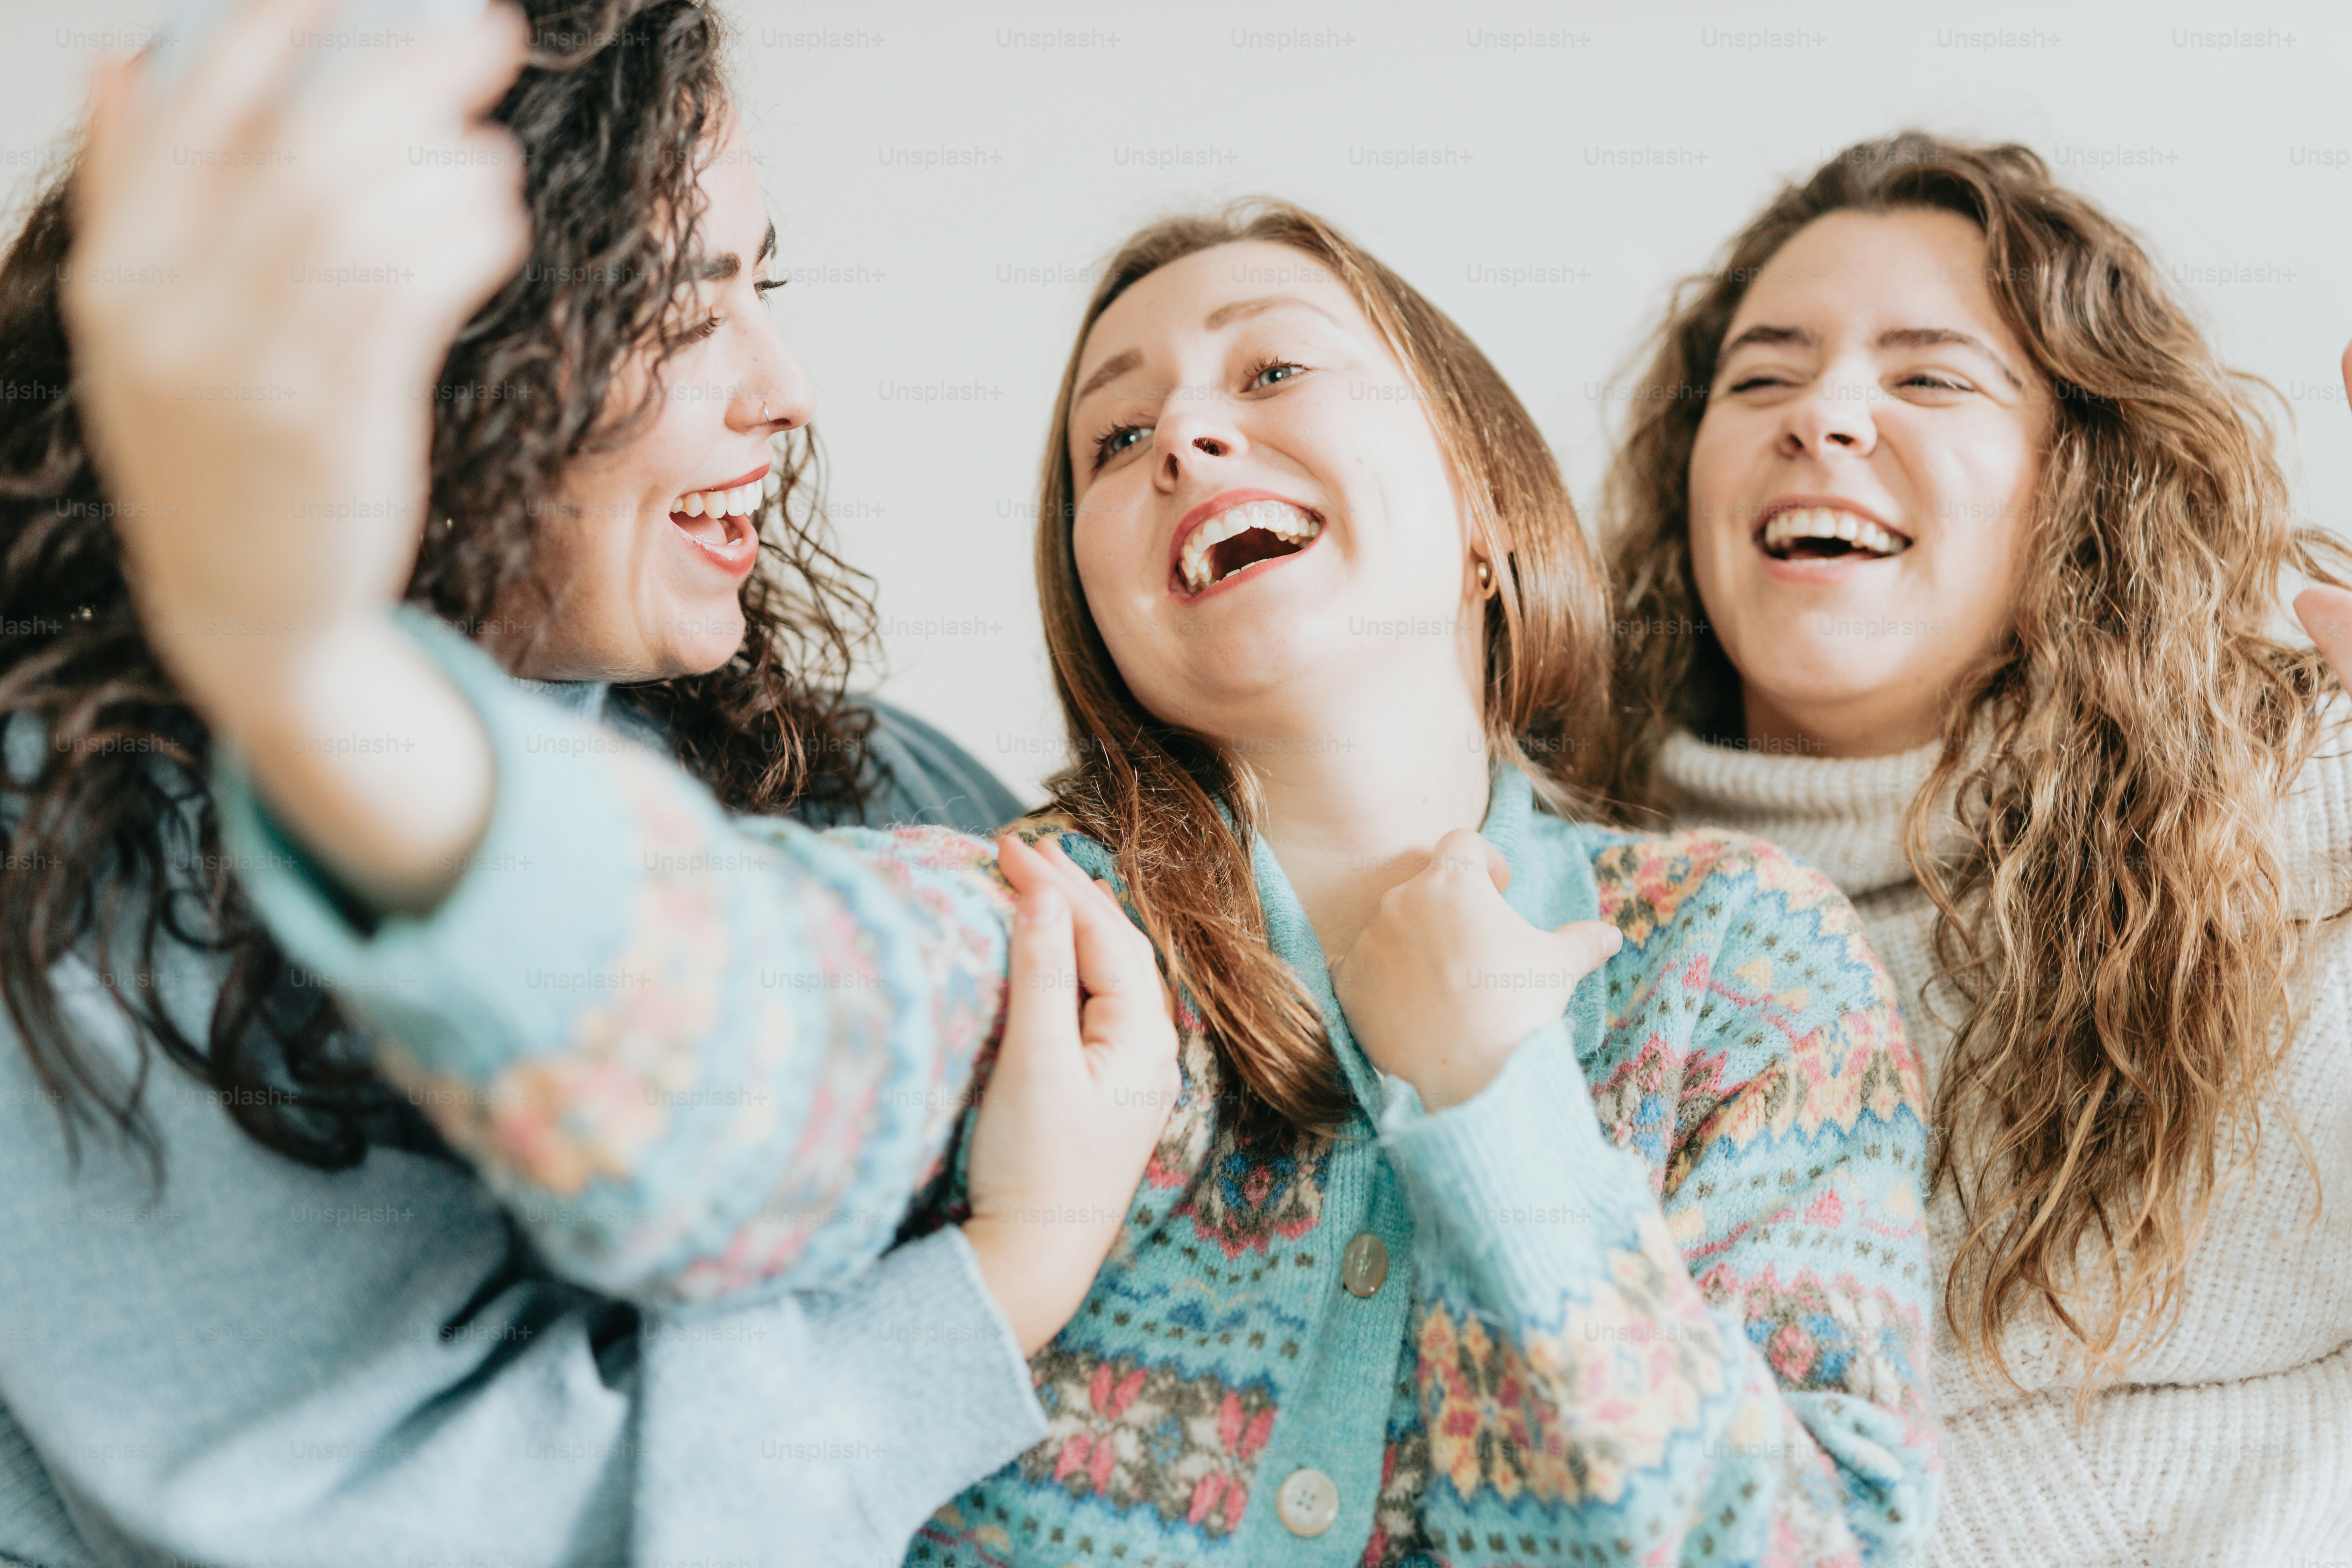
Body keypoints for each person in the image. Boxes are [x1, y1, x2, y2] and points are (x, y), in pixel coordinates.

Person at [191, 193, 1941, 1561]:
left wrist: (1500, 1114)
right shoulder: (1039, 926)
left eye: (1270, 373)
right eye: (1117, 439)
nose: (1184, 441)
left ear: (1484, 498)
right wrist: (375, 732)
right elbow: (742, 1036)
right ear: (1098, 601)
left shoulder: (1741, 971)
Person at [2, 1, 1174, 1562]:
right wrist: (999, 1286)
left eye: (766, 285)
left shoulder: (872, 771)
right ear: (430, 353)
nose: (786, 389)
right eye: (685, 310)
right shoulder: (69, 832)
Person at [1588, 131, 2352, 1563]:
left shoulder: (2291, 859)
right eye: (1761, 376)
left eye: (1929, 375)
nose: (1823, 416)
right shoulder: (1562, 934)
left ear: (2083, 484)